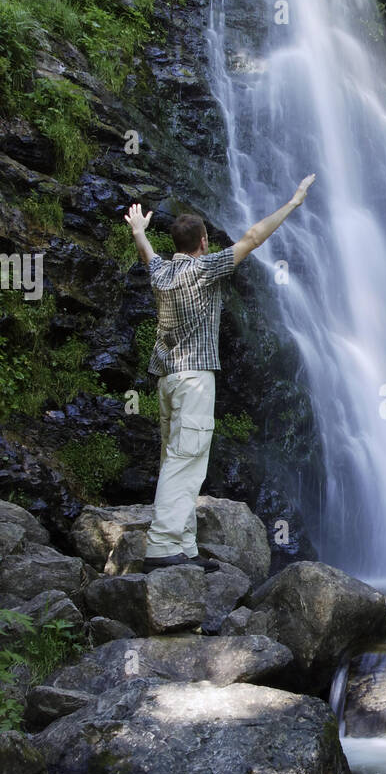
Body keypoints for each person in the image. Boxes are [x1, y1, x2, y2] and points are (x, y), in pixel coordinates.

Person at [123, 175, 315, 572]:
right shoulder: (205, 269)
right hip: (194, 379)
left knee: (176, 458)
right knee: (186, 460)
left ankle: (185, 546)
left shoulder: (161, 273)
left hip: (167, 380)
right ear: (204, 242)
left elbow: (147, 256)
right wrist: (293, 203)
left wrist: (140, 232)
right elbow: (252, 238)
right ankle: (161, 549)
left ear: (175, 244)